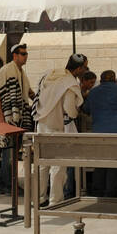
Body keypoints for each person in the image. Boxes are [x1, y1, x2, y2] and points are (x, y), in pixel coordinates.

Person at [33, 54, 85, 205]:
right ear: (79, 68)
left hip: (41, 123)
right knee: (58, 164)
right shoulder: (69, 82)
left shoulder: (50, 73)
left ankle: (39, 198)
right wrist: (75, 112)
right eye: (84, 67)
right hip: (56, 126)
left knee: (42, 163)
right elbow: (69, 109)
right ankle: (55, 200)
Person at [0, 44, 34, 193]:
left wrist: (38, 97)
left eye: (26, 53)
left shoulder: (21, 72)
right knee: (8, 153)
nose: (25, 56)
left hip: (19, 118)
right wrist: (1, 117)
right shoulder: (6, 70)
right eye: (23, 53)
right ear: (15, 55)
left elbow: (27, 91)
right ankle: (7, 185)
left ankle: (4, 183)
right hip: (8, 118)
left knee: (13, 153)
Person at [82, 69, 117, 196]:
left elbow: (86, 109)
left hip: (100, 132)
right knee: (115, 162)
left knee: (101, 160)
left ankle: (98, 190)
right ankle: (111, 191)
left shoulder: (93, 92)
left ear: (101, 79)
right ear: (114, 79)